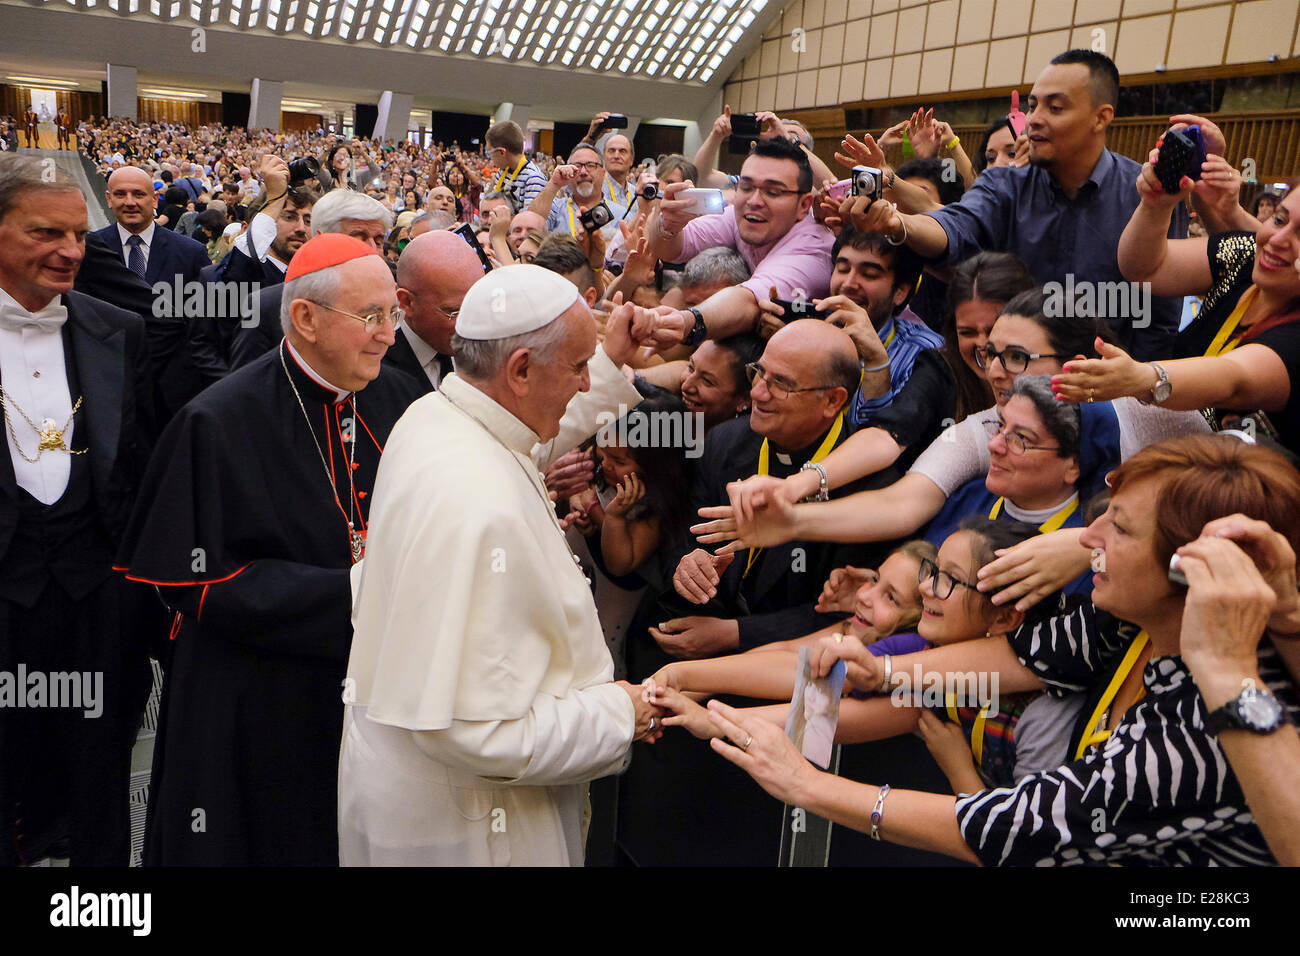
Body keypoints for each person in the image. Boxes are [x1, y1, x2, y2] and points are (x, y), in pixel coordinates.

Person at [708, 434, 1300, 866]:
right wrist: (884, 668)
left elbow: (1014, 828)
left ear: (1190, 567)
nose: (1083, 541)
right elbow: (1018, 658)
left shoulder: (1208, 720)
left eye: (1117, 528)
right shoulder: (1123, 627)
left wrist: (807, 785)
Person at [338, 265, 674, 866]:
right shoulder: (477, 505)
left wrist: (605, 362)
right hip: (473, 830)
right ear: (520, 369)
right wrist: (624, 710)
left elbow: (523, 437)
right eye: (576, 369)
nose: (580, 385)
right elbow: (481, 731)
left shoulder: (439, 416)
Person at [115, 234, 426, 865]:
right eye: (370, 318)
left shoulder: (401, 400)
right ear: (306, 318)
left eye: (394, 314)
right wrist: (348, 591)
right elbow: (188, 581)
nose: (388, 334)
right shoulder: (218, 420)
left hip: (377, 679)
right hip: (258, 694)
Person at [0, 156, 154, 865]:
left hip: (98, 598)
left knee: (100, 774)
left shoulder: (118, 328)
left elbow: (142, 458)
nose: (68, 251)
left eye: (76, 233)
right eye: (44, 233)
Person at [842, 50, 1189, 360]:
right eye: (1033, 105)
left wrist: (1132, 396)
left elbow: (1159, 316)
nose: (1034, 118)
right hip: (1012, 378)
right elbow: (956, 225)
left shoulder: (1146, 195)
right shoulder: (1004, 184)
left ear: (1101, 117)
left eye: (1055, 107)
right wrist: (897, 224)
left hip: (1109, 387)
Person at [1055, 168, 1300, 455]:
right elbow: (1146, 269)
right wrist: (1156, 204)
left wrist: (1143, 378)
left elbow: (1233, 377)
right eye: (1280, 219)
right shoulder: (1247, 252)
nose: (1277, 239)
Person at [648, 136, 835, 341]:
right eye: (746, 187)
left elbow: (748, 301)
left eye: (773, 192)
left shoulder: (812, 249)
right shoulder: (740, 216)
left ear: (804, 205)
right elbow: (670, 250)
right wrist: (668, 224)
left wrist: (686, 321)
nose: (754, 201)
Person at [228, 187, 393, 369]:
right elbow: (249, 386)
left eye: (378, 241)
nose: (372, 250)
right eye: (359, 239)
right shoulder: (266, 307)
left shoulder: (393, 303)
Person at [386, 229, 485, 393]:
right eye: (454, 312)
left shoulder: (489, 349)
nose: (471, 323)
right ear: (407, 302)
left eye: (477, 304)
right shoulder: (373, 370)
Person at [529, 143, 629, 243]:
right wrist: (554, 184)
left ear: (603, 173)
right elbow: (530, 225)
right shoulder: (556, 208)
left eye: (591, 165)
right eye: (577, 166)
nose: (583, 172)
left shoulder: (621, 215)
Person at [484, 120, 548, 215]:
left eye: (490, 153)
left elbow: (528, 221)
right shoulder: (503, 172)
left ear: (502, 152)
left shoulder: (533, 178)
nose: (490, 159)